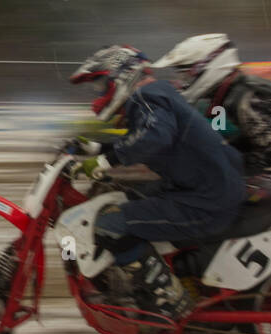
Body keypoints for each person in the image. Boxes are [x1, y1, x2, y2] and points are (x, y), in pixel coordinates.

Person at [68, 45, 246, 319]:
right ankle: (150, 280)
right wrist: (95, 148)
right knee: (124, 197)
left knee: (111, 226)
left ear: (122, 75)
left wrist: (105, 162)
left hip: (205, 200)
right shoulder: (155, 95)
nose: (99, 93)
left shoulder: (146, 95)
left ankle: (169, 299)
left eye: (102, 84)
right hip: (205, 188)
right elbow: (144, 136)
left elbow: (155, 137)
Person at [152, 33, 271, 204]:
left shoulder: (246, 99)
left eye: (186, 74)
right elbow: (222, 135)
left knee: (210, 191)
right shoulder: (222, 94)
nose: (183, 81)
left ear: (208, 66)